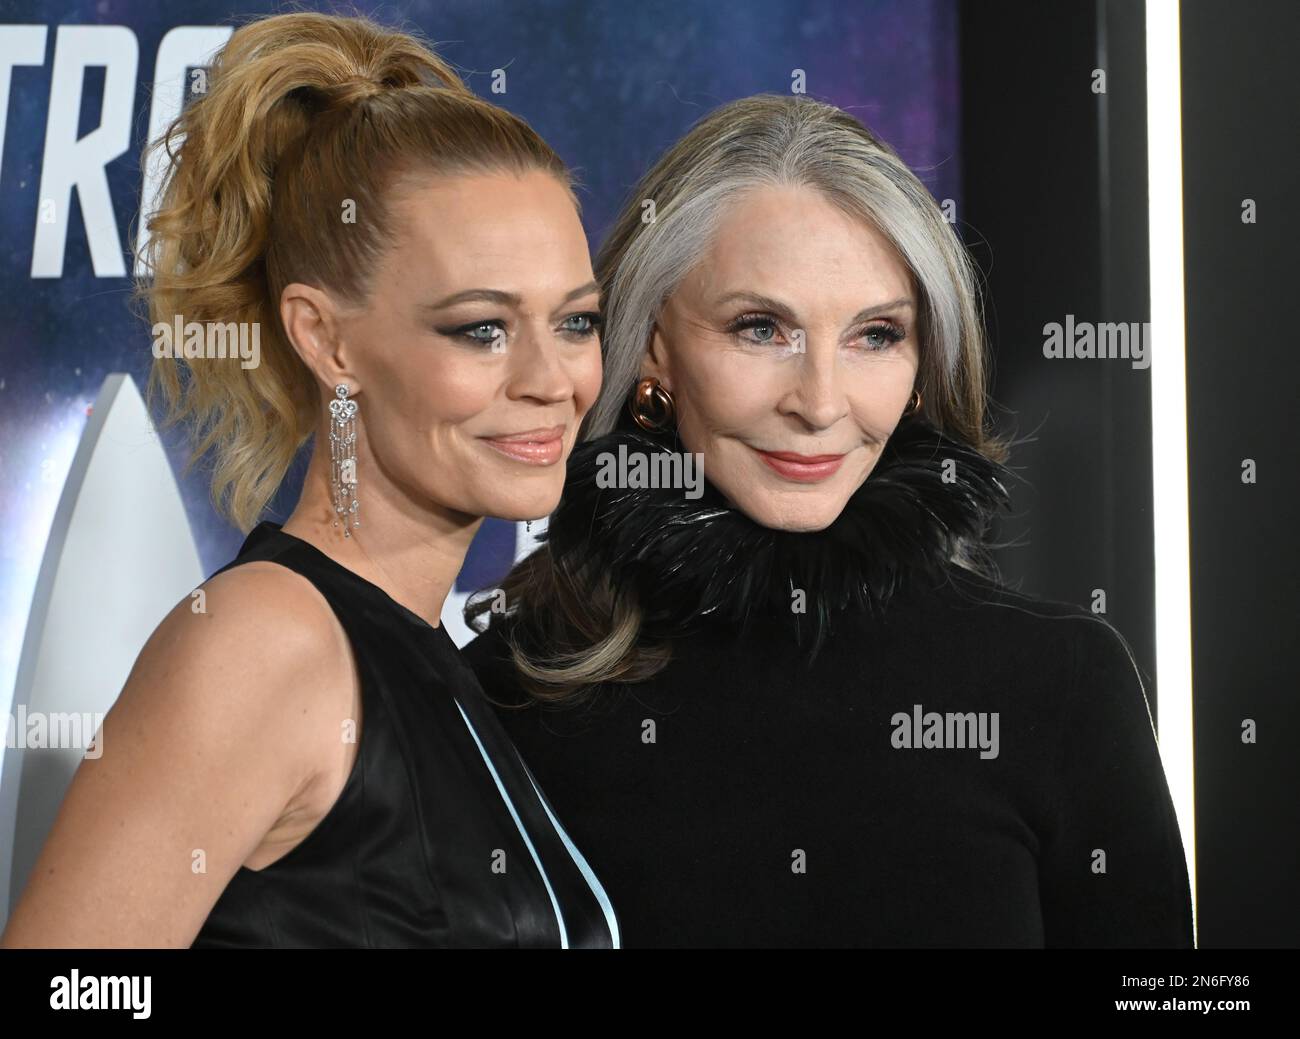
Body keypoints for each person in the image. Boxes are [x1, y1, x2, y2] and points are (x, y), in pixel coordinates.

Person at [463, 94, 1194, 948]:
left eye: (875, 335)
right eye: (761, 328)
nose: (819, 403)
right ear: (654, 347)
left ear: (924, 363)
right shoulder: (510, 691)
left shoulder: (1062, 682)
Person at [1, 11, 617, 949]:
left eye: (575, 322)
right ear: (326, 338)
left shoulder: (423, 656)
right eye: (481, 328)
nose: (551, 379)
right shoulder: (265, 645)